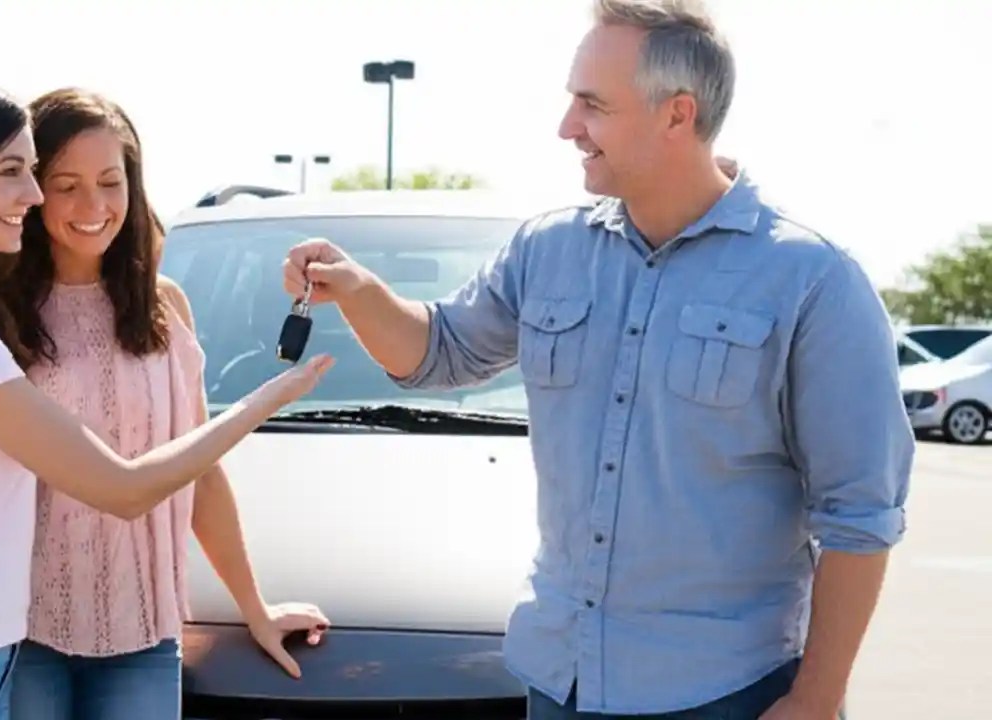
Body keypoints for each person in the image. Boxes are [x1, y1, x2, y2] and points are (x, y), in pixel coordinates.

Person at [281, 1, 911, 718]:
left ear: (677, 115)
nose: (566, 126)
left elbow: (860, 516)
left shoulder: (815, 282)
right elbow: (439, 352)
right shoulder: (547, 250)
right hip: (561, 681)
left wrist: (817, 698)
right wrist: (358, 290)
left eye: (592, 104)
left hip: (725, 695)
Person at [0, 77, 332, 720]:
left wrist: (255, 608)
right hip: (22, 632)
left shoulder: (163, 309)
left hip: (140, 625)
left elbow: (199, 472)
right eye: (61, 182)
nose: (92, 203)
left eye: (111, 180)